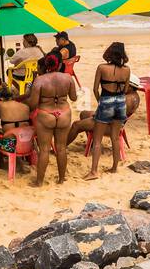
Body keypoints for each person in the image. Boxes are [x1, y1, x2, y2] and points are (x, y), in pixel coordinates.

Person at [26, 52, 77, 185]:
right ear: (60, 64)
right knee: (61, 148)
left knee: (44, 149)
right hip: (64, 113)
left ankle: (39, 182)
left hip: (45, 113)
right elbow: (74, 98)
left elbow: (33, 103)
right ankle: (61, 179)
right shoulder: (68, 78)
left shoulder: (40, 80)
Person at [87, 42, 132, 179]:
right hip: (120, 102)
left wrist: (100, 101)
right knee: (115, 137)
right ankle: (114, 168)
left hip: (106, 99)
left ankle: (94, 171)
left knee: (98, 139)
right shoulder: (127, 69)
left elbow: (95, 89)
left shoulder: (101, 68)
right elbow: (125, 90)